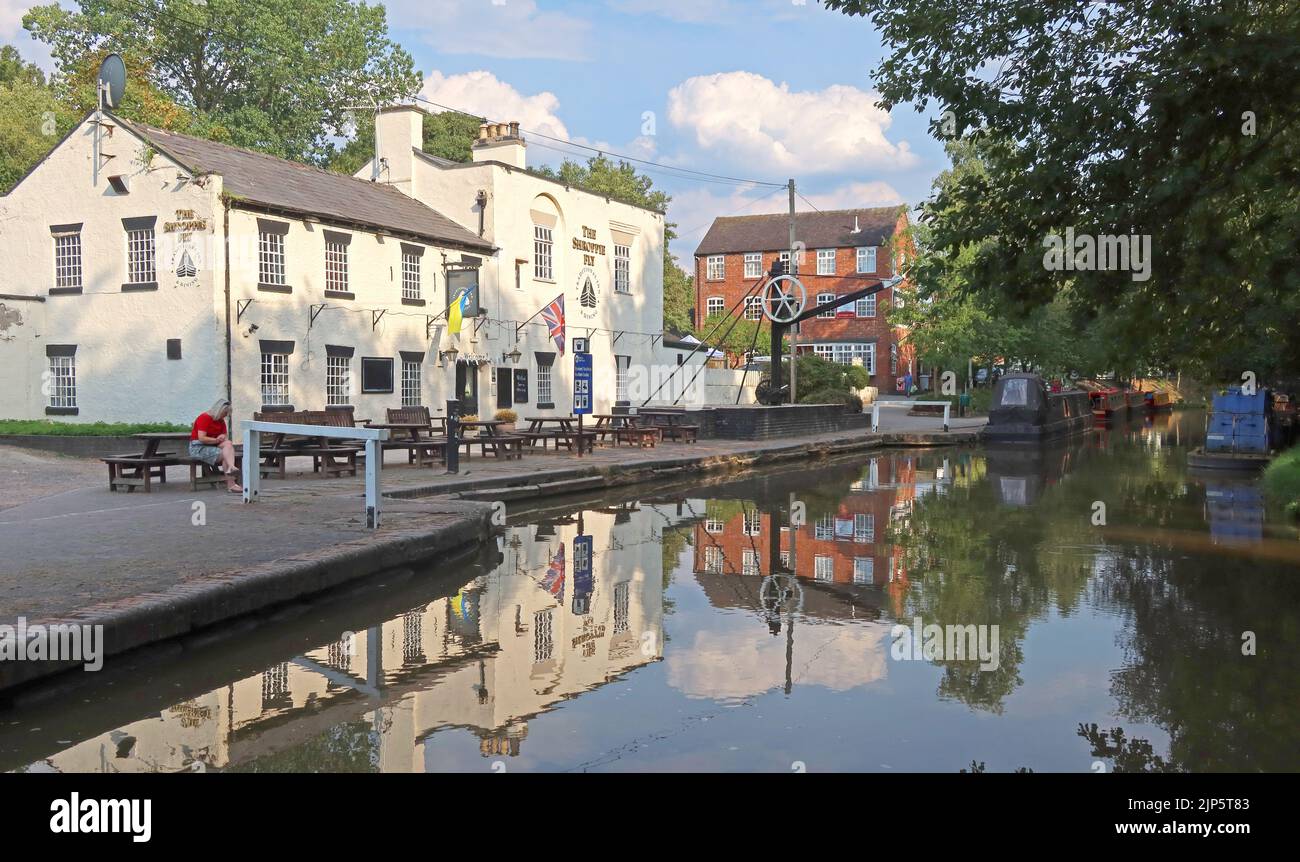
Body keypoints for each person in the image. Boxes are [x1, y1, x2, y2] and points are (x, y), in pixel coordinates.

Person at [190, 398, 241, 492]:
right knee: (227, 454)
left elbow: (225, 435)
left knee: (228, 444)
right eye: (224, 413)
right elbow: (201, 438)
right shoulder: (204, 417)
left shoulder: (220, 420)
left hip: (213, 446)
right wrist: (216, 439)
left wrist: (222, 436)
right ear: (219, 410)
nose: (225, 416)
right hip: (199, 447)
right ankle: (231, 483)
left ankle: (231, 468)